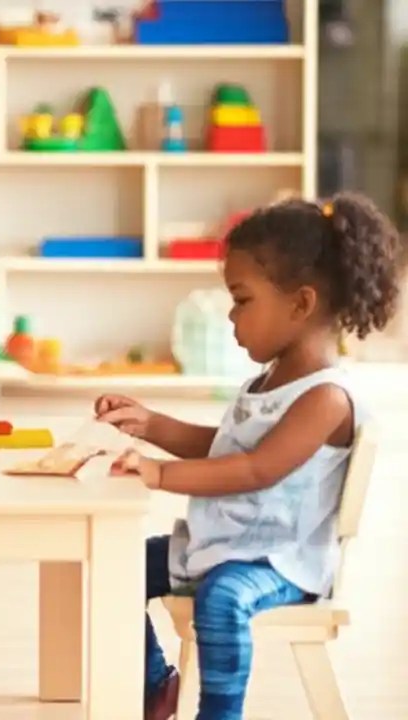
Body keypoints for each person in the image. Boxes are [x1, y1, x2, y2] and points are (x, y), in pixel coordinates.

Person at [99, 194, 403, 720]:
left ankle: (219, 714)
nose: (232, 317)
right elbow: (226, 449)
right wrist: (150, 425)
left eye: (241, 300)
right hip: (224, 545)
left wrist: (159, 474)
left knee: (223, 600)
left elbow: (255, 470)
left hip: (279, 560)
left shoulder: (324, 398)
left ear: (300, 304)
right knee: (114, 565)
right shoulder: (268, 381)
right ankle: (154, 686)